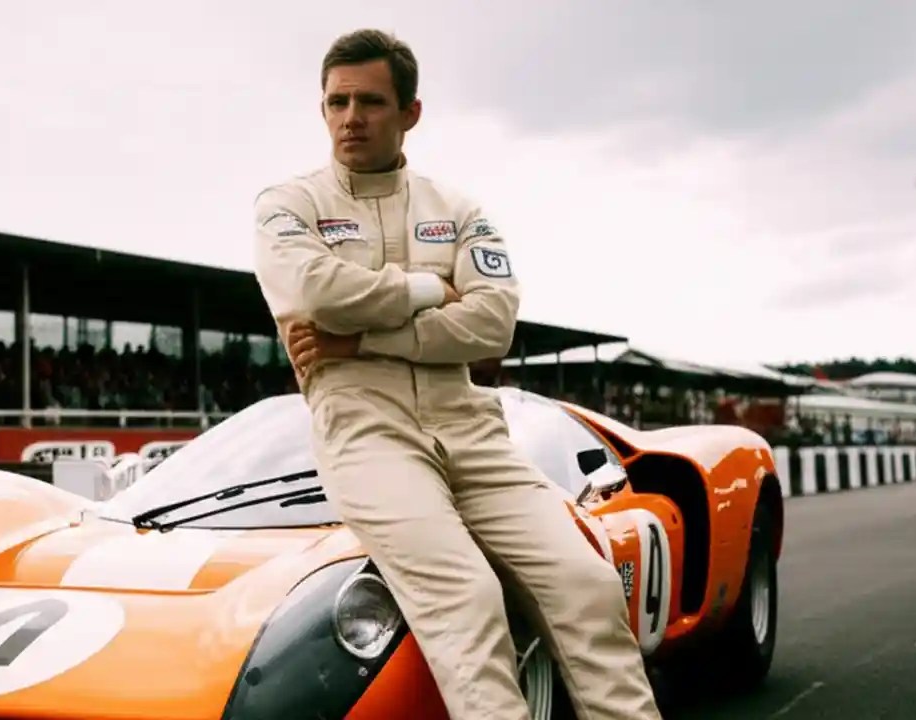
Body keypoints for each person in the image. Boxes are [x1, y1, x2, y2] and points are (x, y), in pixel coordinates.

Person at [250, 28, 662, 720]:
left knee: (587, 583)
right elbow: (315, 293)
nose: (351, 118)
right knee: (465, 598)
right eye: (337, 102)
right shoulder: (287, 205)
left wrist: (359, 339)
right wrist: (425, 290)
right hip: (369, 437)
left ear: (410, 112)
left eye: (371, 102)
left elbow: (492, 325)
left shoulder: (458, 210)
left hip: (473, 431)